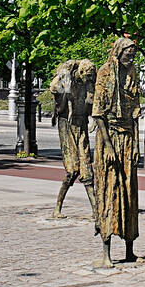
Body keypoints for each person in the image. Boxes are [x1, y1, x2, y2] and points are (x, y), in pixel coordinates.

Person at [92, 37, 142, 267]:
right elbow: (99, 114)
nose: (131, 57)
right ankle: (106, 252)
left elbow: (135, 114)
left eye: (133, 54)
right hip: (109, 139)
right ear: (118, 52)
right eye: (128, 53)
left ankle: (130, 249)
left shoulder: (132, 73)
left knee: (129, 192)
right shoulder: (105, 73)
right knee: (109, 191)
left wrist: (137, 145)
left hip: (128, 139)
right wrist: (109, 146)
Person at [50, 59, 98, 222]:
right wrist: (65, 85)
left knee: (87, 169)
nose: (90, 79)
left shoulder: (89, 82)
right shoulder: (67, 77)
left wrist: (94, 118)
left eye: (92, 76)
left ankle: (95, 209)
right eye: (88, 76)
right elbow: (54, 88)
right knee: (72, 170)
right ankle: (58, 207)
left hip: (81, 124)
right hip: (67, 124)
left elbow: (92, 102)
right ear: (81, 73)